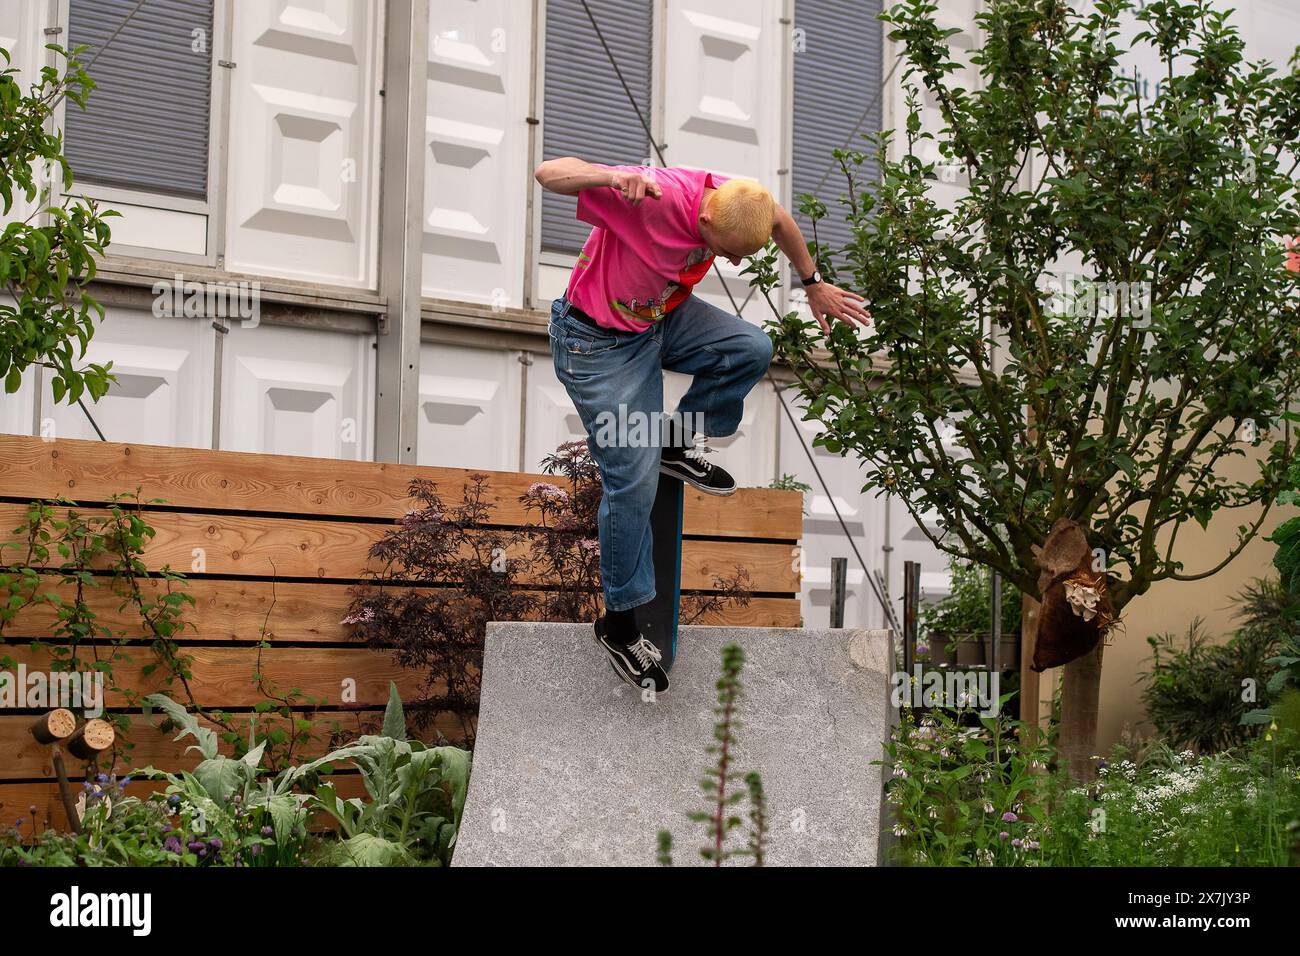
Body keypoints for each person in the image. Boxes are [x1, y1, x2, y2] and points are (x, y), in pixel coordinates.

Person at [535, 157, 870, 692]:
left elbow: (780, 222)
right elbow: (549, 173)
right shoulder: (652, 196)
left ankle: (674, 439)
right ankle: (619, 624)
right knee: (633, 483)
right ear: (707, 223)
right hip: (597, 345)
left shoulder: (739, 198)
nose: (732, 263)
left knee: (750, 348)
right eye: (728, 252)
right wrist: (607, 178)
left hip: (658, 320)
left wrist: (812, 283)